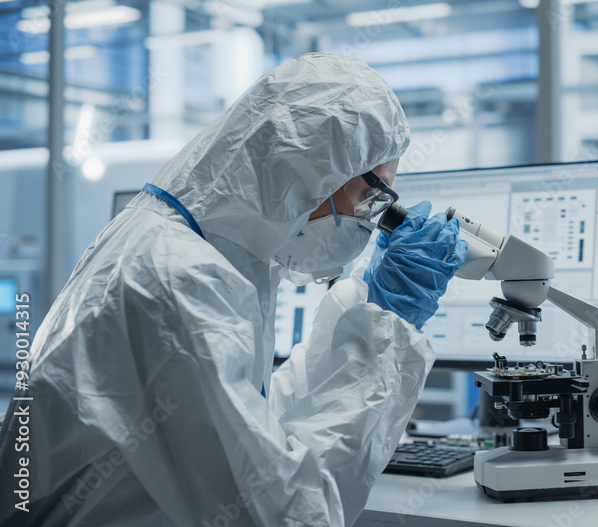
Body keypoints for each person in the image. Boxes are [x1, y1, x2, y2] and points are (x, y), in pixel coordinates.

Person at [0, 53, 467, 526]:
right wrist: (392, 331)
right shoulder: (177, 281)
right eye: (372, 196)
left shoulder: (203, 251)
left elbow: (262, 423)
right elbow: (295, 517)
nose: (369, 218)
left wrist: (369, 304)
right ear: (309, 169)